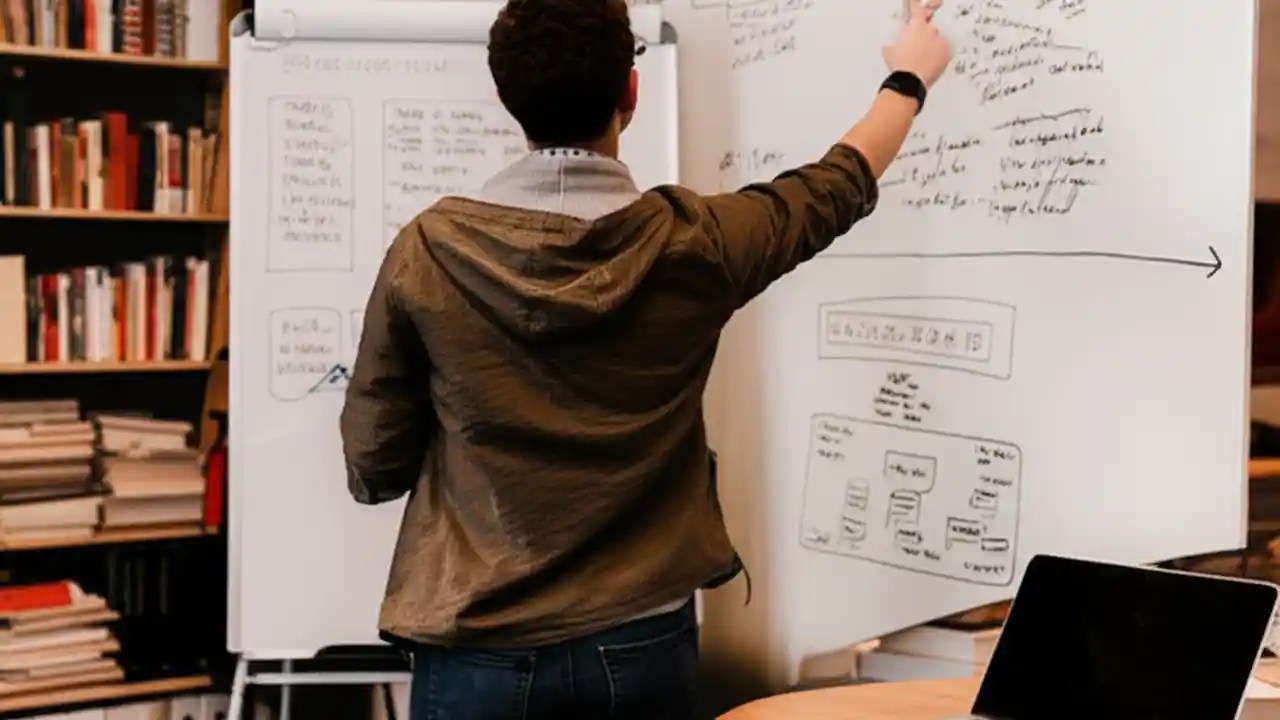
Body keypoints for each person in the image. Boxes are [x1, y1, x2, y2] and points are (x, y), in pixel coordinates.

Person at [339, 0, 952, 717]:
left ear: (507, 96)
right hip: (642, 645)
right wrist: (908, 77)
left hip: (481, 649)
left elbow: (373, 463)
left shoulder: (429, 251)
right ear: (631, 92)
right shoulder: (700, 243)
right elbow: (836, 185)